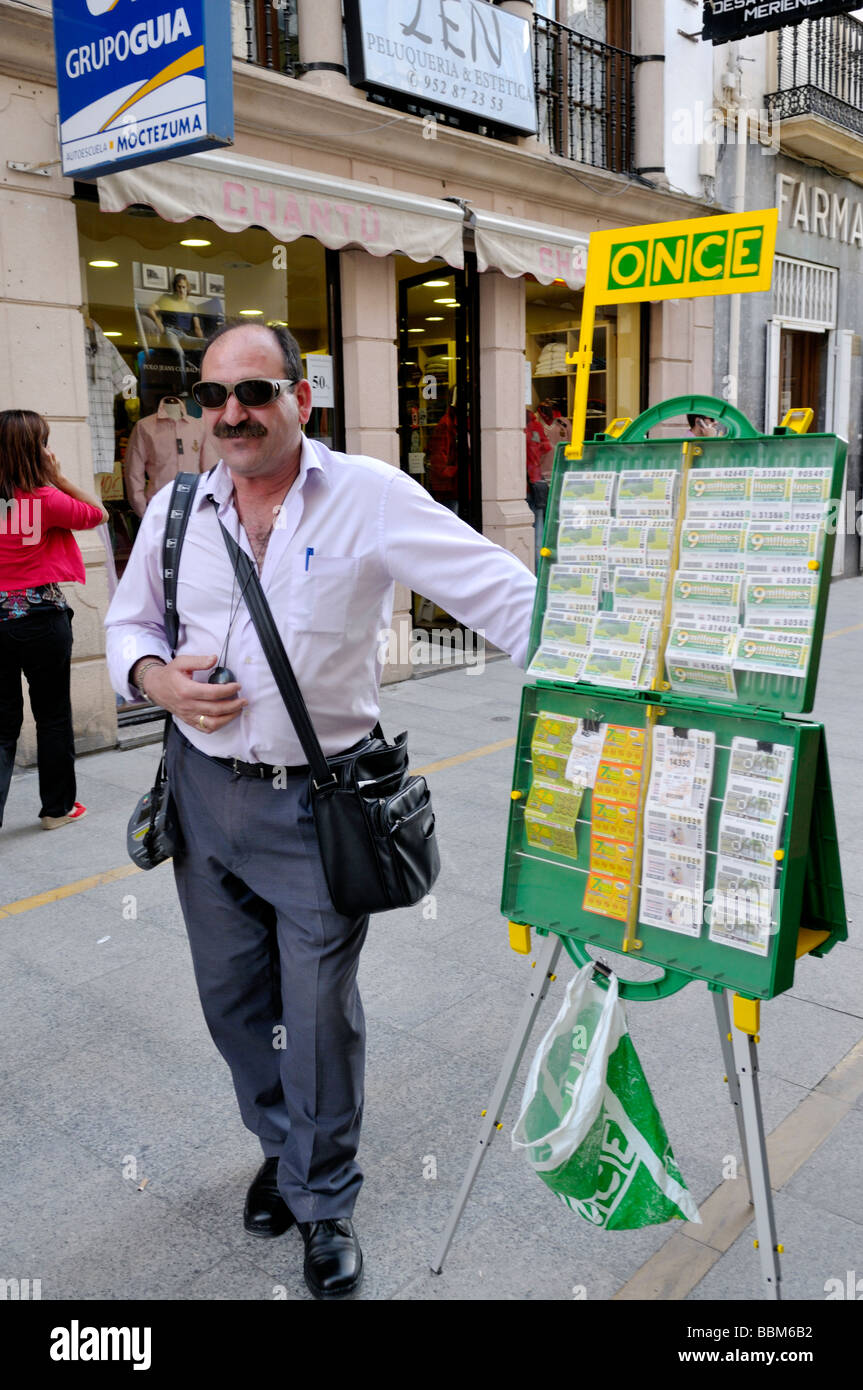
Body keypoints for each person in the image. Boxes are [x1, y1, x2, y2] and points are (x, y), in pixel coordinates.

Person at [104, 322, 536, 1301]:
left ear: (303, 396)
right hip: (203, 795)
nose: (231, 414)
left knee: (315, 1012)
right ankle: (281, 1145)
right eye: (212, 397)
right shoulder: (178, 510)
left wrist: (611, 689)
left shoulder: (370, 498)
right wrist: (158, 680)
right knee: (233, 1003)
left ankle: (323, 1196)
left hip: (320, 804)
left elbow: (507, 600)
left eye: (253, 392)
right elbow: (129, 622)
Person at [0, 410, 108, 831]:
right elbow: (96, 513)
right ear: (34, 452)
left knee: (2, 722)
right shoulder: (46, 499)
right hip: (41, 618)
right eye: (43, 444)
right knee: (53, 715)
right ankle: (57, 810)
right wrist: (58, 477)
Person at [144, 274, 204, 391]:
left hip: (185, 335)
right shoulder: (166, 298)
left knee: (207, 343)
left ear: (187, 288)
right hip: (170, 332)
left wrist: (201, 341)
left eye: (184, 287)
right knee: (179, 353)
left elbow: (197, 327)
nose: (181, 290)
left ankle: (204, 382)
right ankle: (182, 387)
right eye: (179, 287)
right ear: (175, 288)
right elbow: (150, 309)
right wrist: (158, 321)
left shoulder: (192, 306)